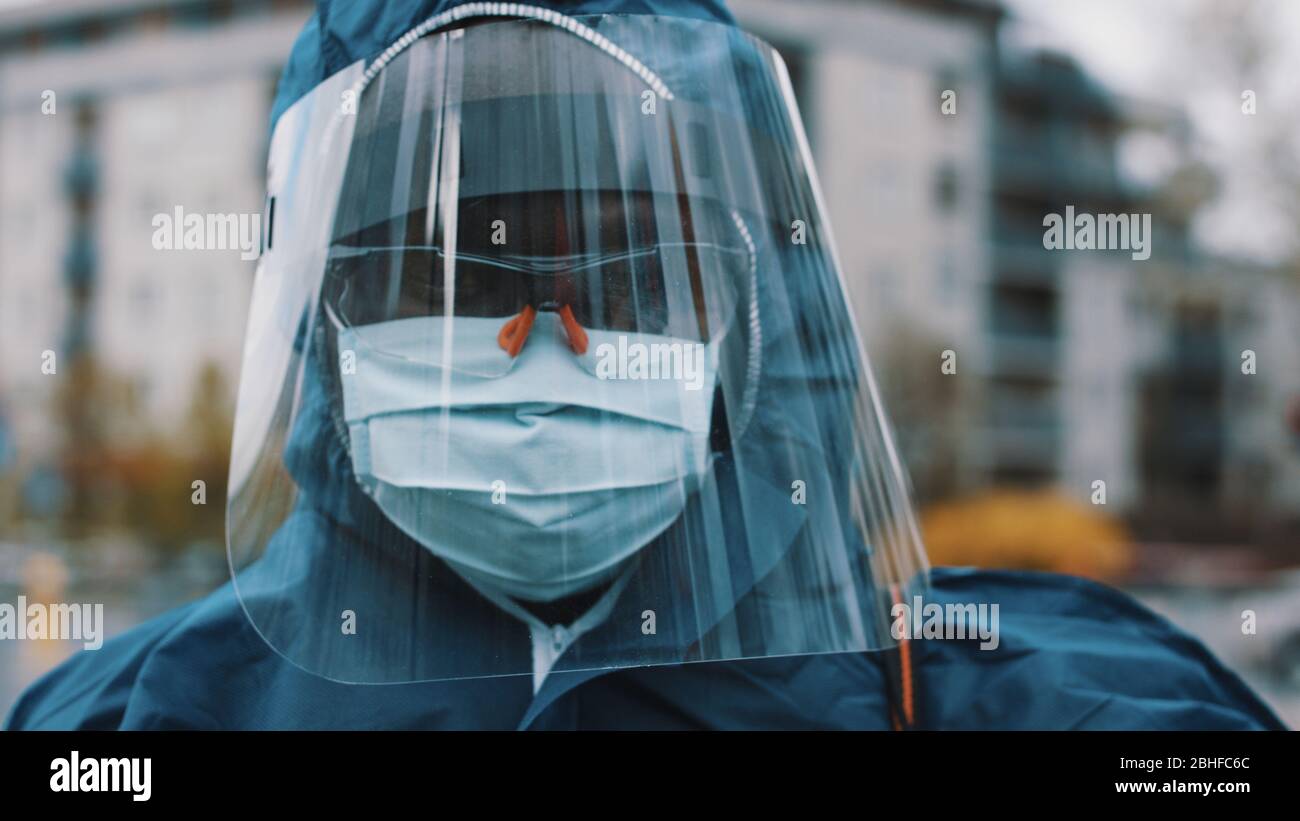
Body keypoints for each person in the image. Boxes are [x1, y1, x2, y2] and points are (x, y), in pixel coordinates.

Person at [6, 0, 1283, 730]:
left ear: (753, 315)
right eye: (450, 273)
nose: (542, 337)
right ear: (322, 316)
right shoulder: (116, 732)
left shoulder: (1047, 712)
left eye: (627, 272)